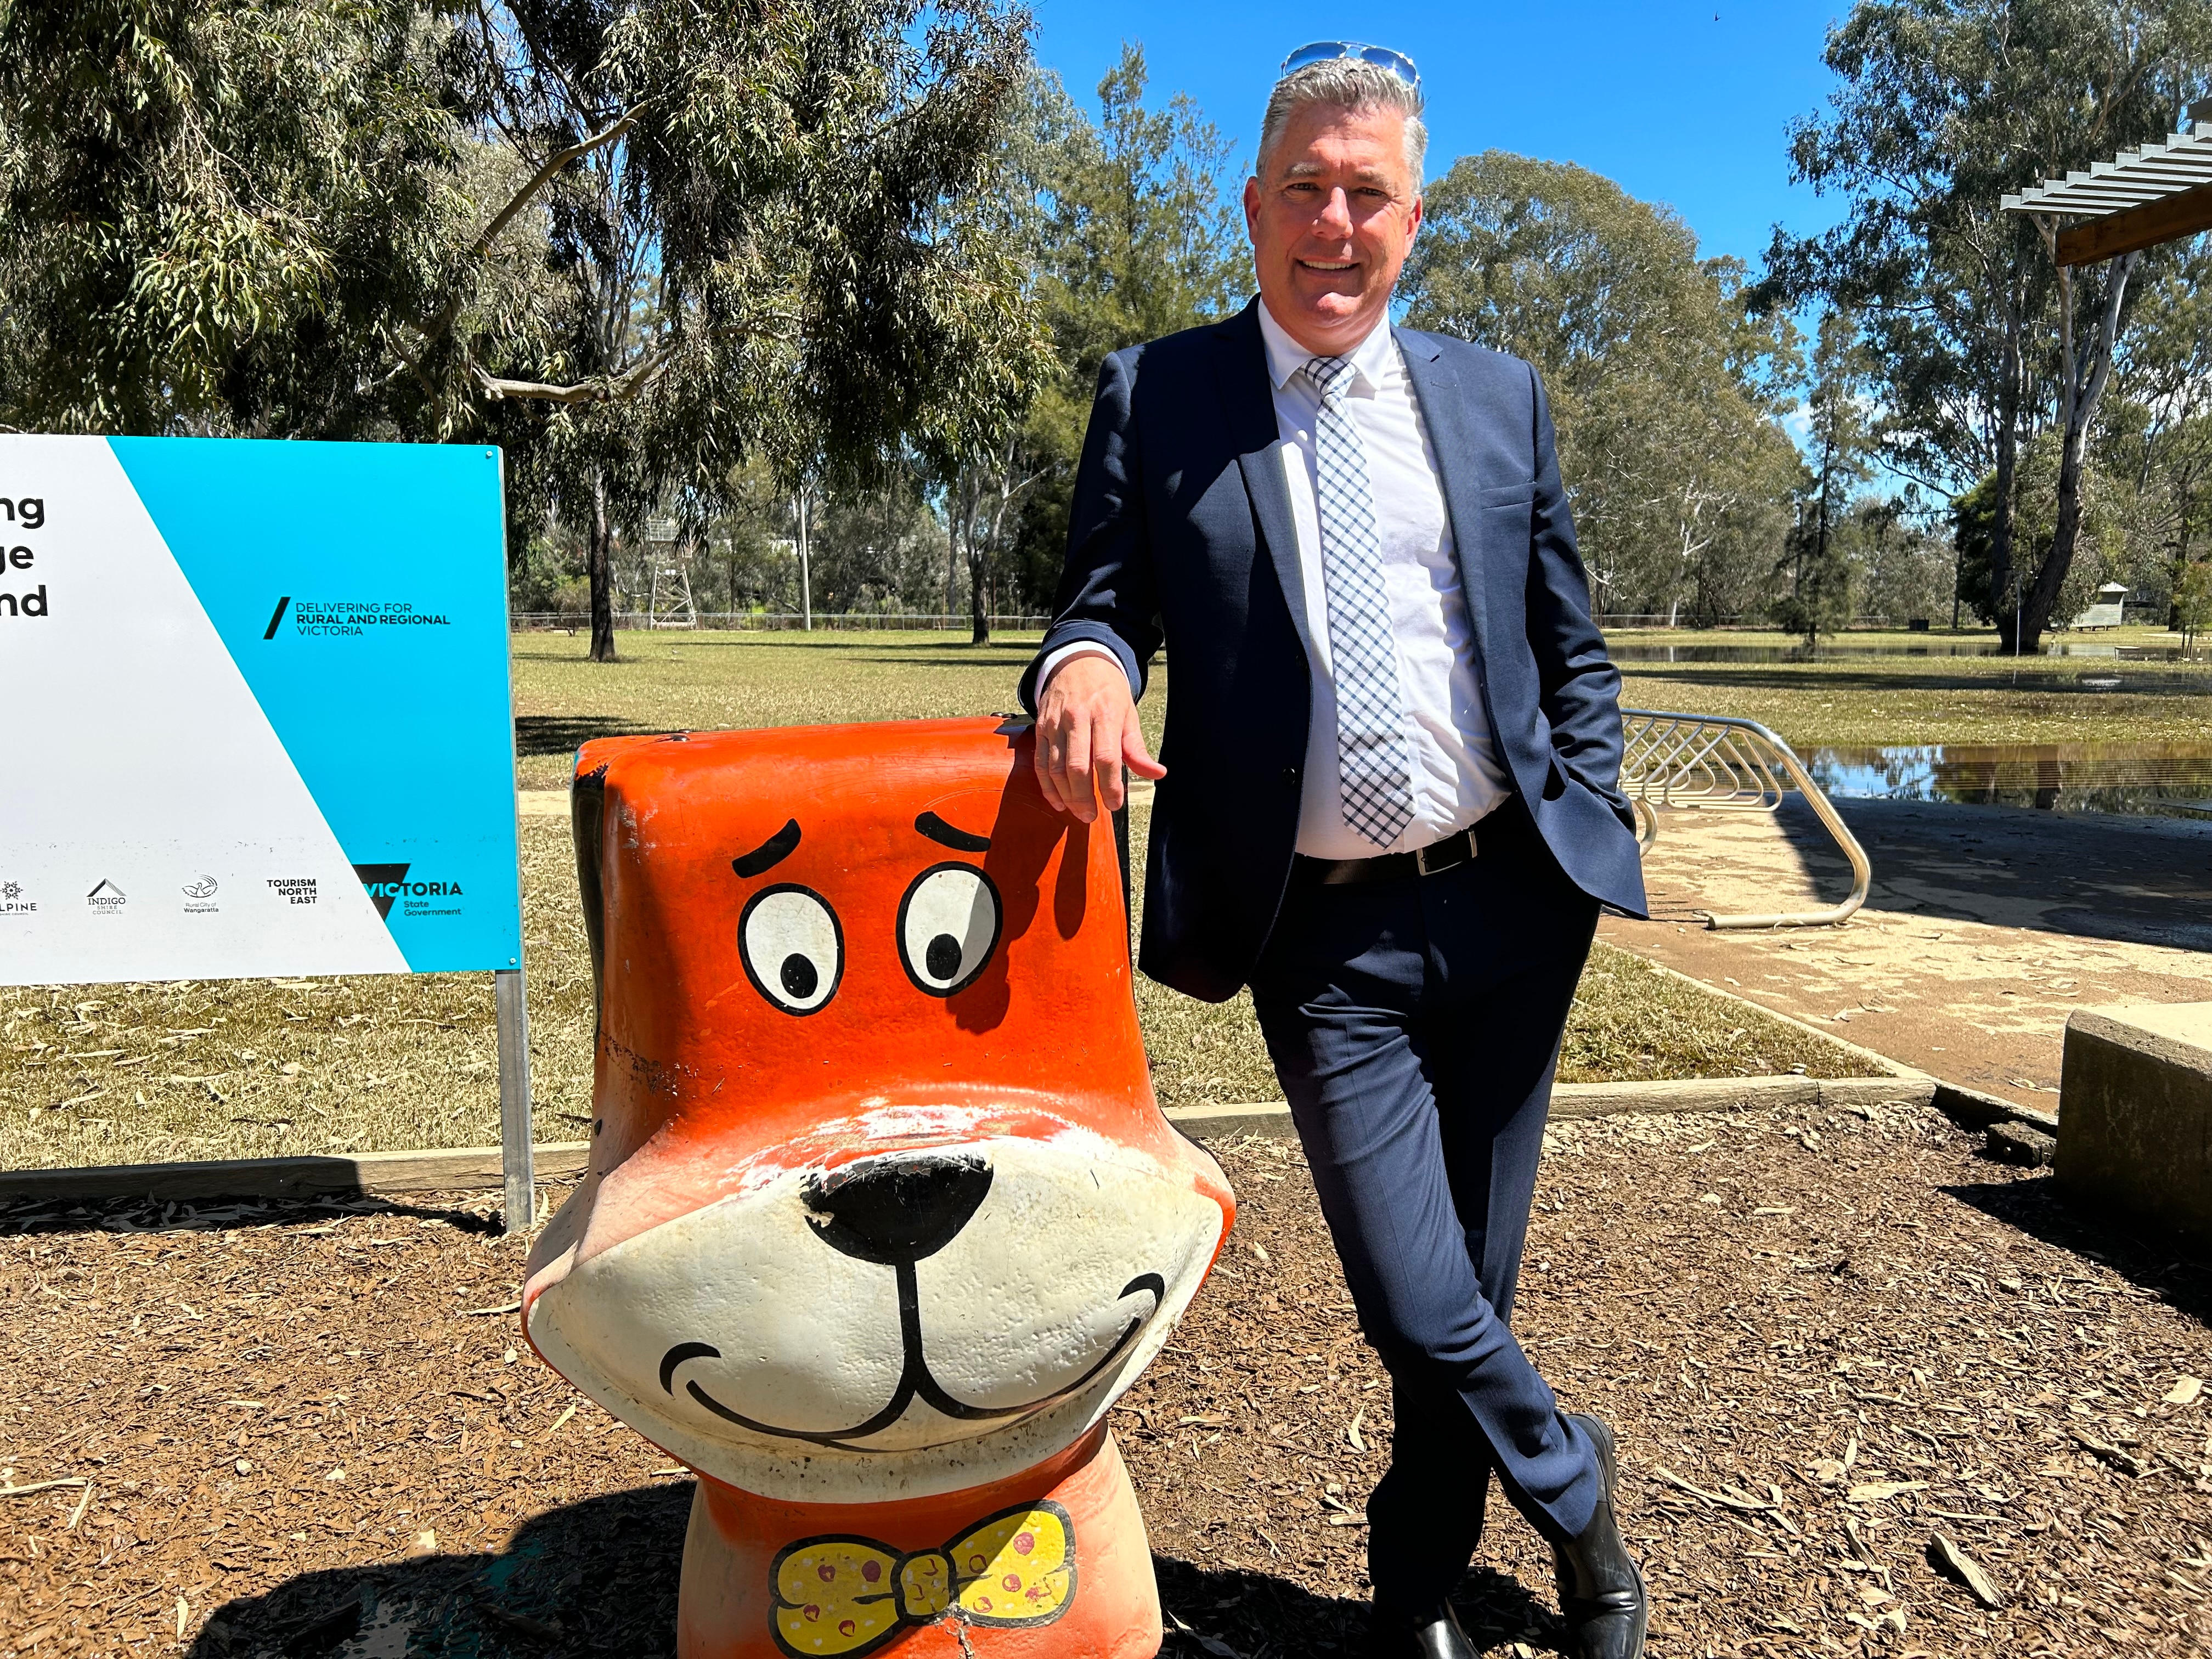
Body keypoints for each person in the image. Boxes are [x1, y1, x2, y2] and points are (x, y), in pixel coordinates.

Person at [1018, 42, 1651, 1659]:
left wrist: (1587, 796)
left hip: (1515, 907)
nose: (1334, 221)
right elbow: (1104, 605)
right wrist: (1082, 669)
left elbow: (1568, 642)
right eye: (1305, 187)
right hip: (1325, 939)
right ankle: (1576, 1497)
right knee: (1412, 1295)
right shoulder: (1161, 396)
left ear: (1413, 219)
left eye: (1367, 192)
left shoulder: (1498, 396)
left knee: (1473, 1289)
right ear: (1252, 206)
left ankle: (1419, 1585)